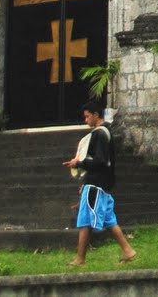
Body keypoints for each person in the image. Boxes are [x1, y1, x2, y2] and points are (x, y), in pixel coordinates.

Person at [62, 101, 136, 266]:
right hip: (101, 184)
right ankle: (128, 250)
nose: (86, 120)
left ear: (96, 115)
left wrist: (79, 163)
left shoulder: (99, 134)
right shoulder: (105, 133)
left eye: (88, 116)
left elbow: (101, 161)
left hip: (96, 185)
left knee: (84, 221)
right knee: (109, 220)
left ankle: (80, 258)